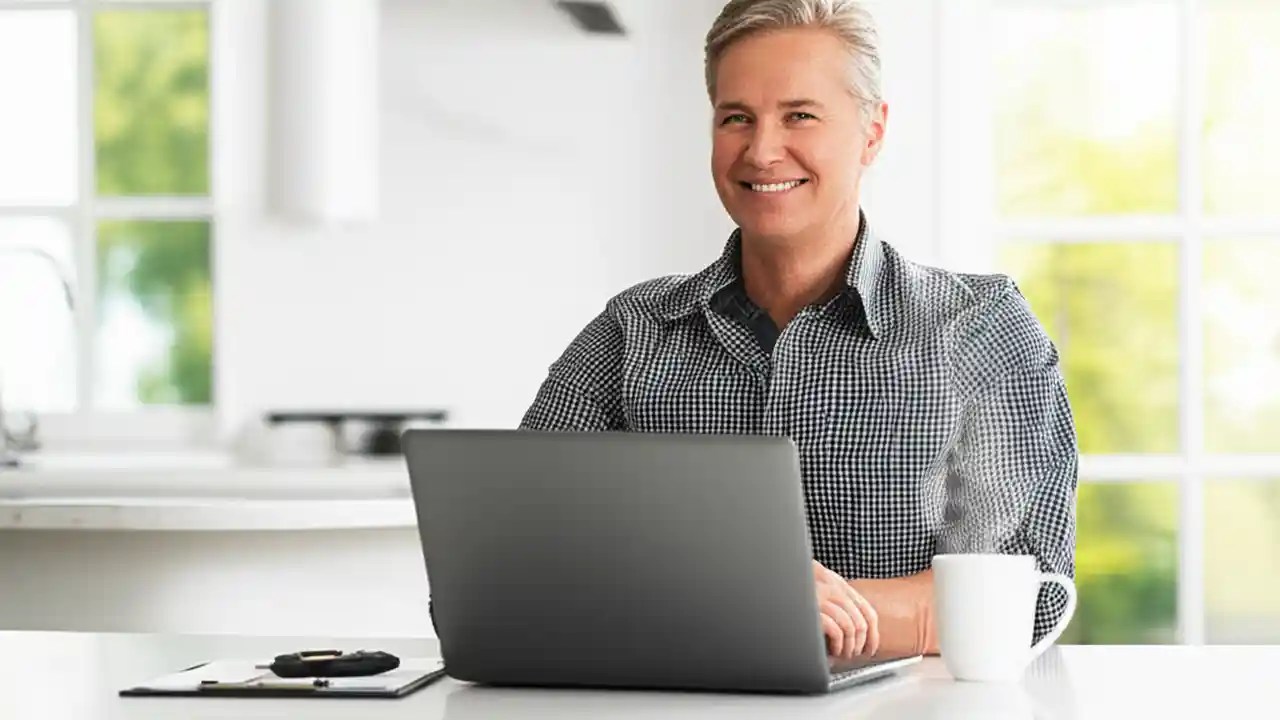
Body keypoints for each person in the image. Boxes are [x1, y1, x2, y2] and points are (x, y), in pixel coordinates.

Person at [520, 0, 1078, 662]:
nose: (761, 150)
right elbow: (510, 560)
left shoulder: (979, 330)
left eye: (800, 116)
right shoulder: (631, 332)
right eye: (736, 119)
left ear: (872, 132)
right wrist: (734, 596)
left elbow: (1023, 590)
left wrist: (768, 606)